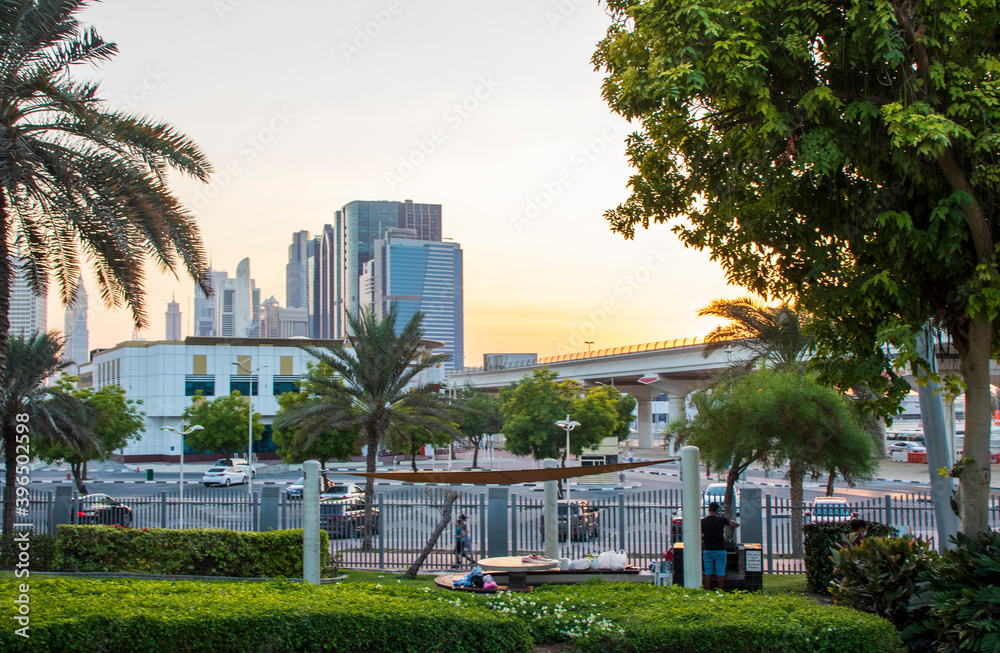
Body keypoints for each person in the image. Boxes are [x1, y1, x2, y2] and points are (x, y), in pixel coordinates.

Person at [701, 501, 738, 590]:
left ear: (709, 510)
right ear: (717, 510)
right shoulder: (721, 520)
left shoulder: (703, 521)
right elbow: (736, 524)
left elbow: (700, 534)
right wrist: (731, 528)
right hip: (720, 550)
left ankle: (707, 591)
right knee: (720, 573)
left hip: (708, 549)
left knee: (708, 573)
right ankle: (720, 592)